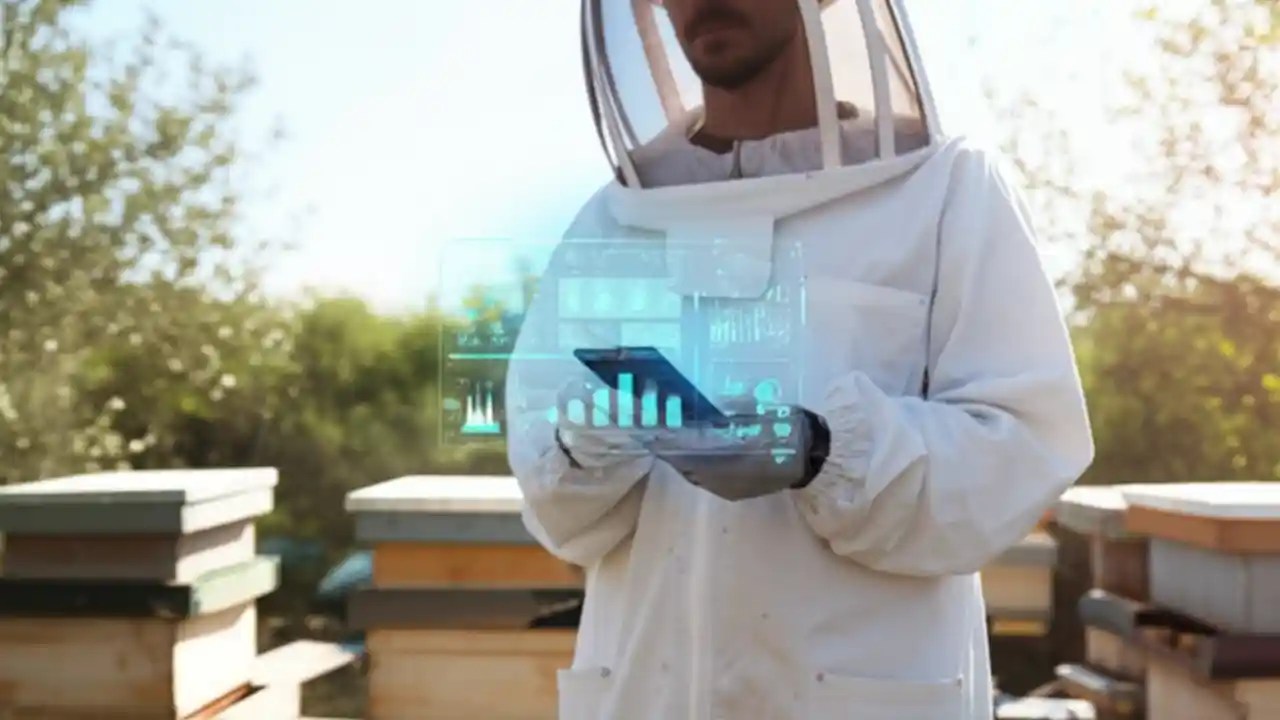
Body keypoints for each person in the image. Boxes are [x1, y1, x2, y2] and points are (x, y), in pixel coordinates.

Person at [505, 0, 1094, 718]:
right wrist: (592, 436)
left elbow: (1026, 449)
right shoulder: (611, 220)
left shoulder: (946, 189)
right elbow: (554, 507)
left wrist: (817, 450)